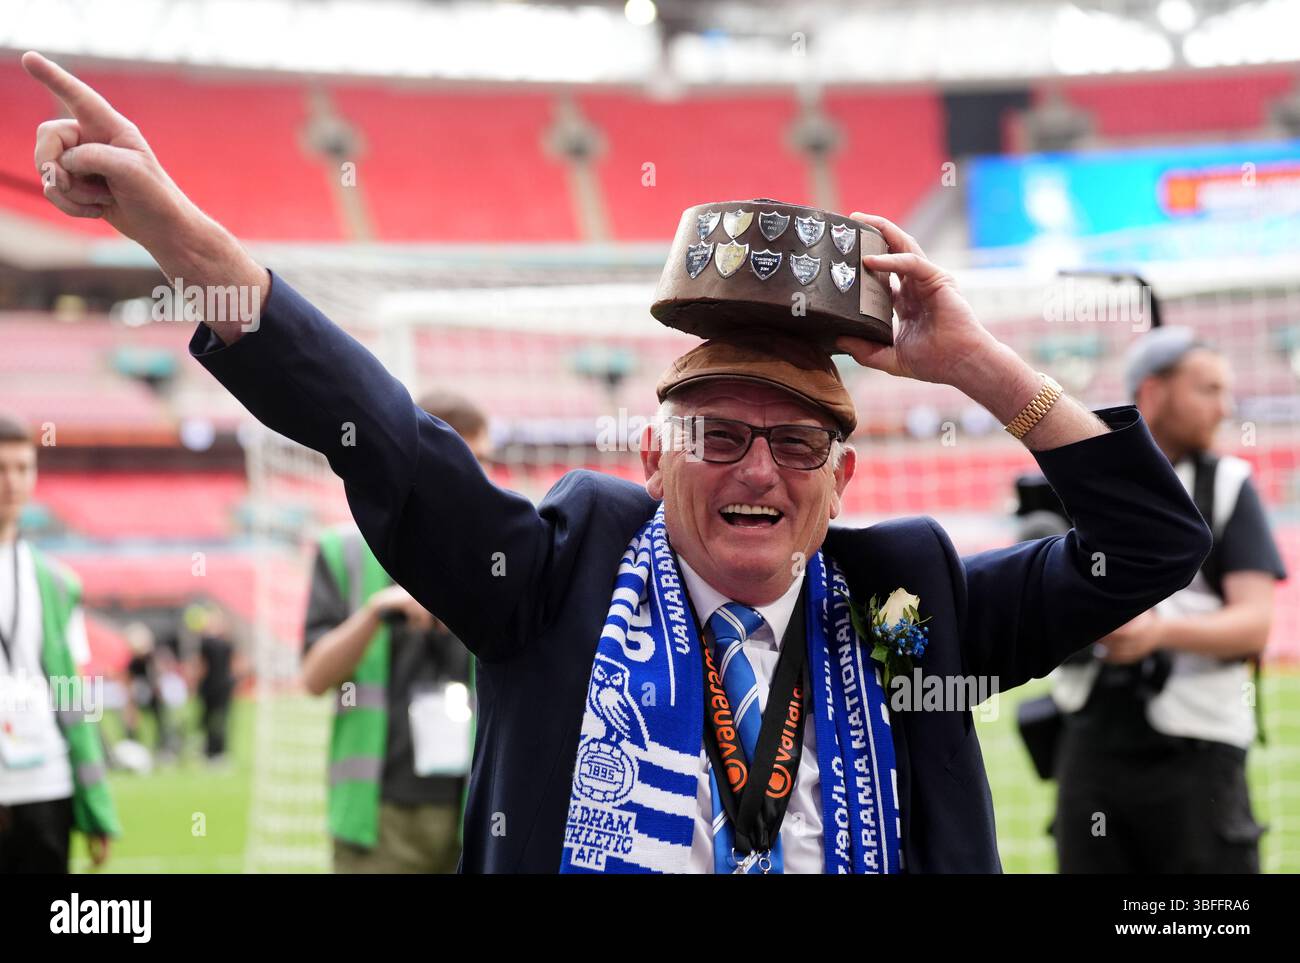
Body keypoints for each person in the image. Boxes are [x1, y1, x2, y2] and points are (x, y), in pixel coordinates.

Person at [21, 51, 1212, 873]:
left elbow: (1151, 546)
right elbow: (383, 436)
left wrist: (983, 370)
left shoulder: (906, 598)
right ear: (654, 453)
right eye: (717, 435)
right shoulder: (551, 577)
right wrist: (175, 232)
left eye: (797, 443)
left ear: (842, 479)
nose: (757, 470)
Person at [1051, 327, 1287, 873]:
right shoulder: (1084, 483)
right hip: (1091, 738)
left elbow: (1254, 626)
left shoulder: (1228, 483)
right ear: (1153, 394)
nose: (1225, 408)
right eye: (1207, 390)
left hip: (1197, 748)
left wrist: (1158, 633)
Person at [301, 391, 483, 874]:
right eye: (470, 458)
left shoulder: (495, 553)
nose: (480, 476)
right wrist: (376, 612)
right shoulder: (346, 553)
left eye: (483, 461)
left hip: (476, 810)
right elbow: (315, 678)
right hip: (378, 817)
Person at [0, 412, 119, 872]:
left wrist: (96, 806)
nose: (12, 482)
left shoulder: (57, 583)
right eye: (0, 469)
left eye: (23, 468)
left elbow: (75, 696)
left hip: (46, 789)